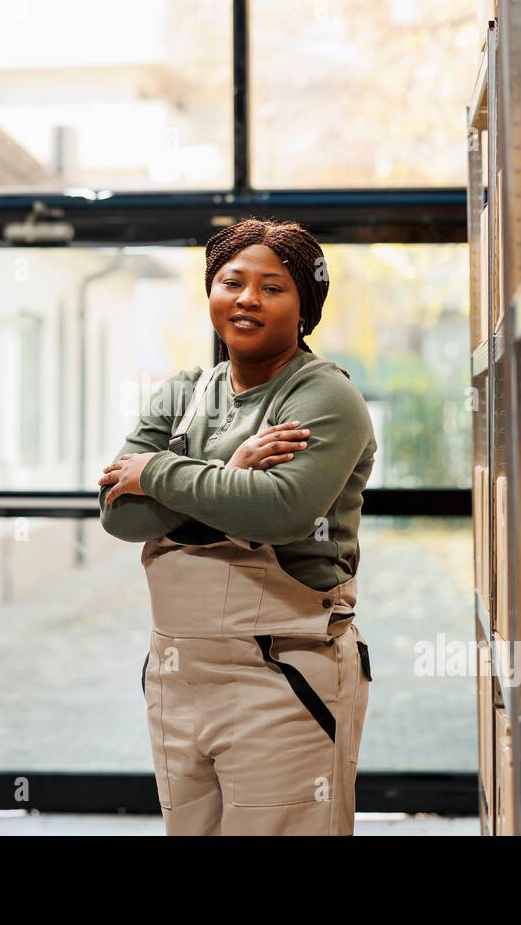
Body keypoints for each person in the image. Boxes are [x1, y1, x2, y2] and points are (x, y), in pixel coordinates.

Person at [97, 217, 377, 835]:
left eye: (272, 288)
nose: (247, 299)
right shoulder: (184, 394)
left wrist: (160, 473)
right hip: (176, 672)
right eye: (232, 282)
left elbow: (280, 511)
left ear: (305, 307)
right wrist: (229, 474)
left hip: (280, 674)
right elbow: (120, 512)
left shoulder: (323, 396)